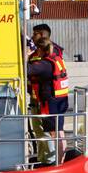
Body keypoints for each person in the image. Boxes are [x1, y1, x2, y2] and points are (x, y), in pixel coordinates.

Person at [26, 23, 70, 163]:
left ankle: (51, 161)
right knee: (47, 132)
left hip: (46, 100)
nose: (32, 37)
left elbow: (30, 70)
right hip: (52, 100)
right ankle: (46, 159)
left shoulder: (45, 60)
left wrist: (25, 57)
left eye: (34, 34)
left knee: (48, 132)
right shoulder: (53, 53)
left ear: (41, 35)